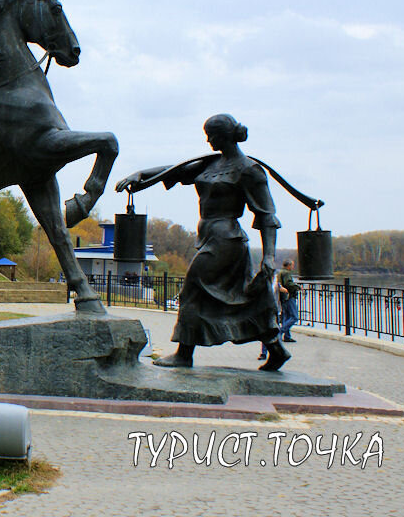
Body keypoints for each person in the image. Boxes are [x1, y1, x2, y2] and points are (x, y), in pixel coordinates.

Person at [115, 114, 290, 371]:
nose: (208, 140)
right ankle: (275, 348)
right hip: (208, 236)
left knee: (192, 288)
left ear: (226, 135)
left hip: (226, 239)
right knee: (239, 296)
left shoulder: (249, 169)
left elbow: (267, 216)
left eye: (212, 134)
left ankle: (184, 353)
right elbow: (176, 170)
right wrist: (140, 175)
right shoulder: (211, 164)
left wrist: (269, 257)